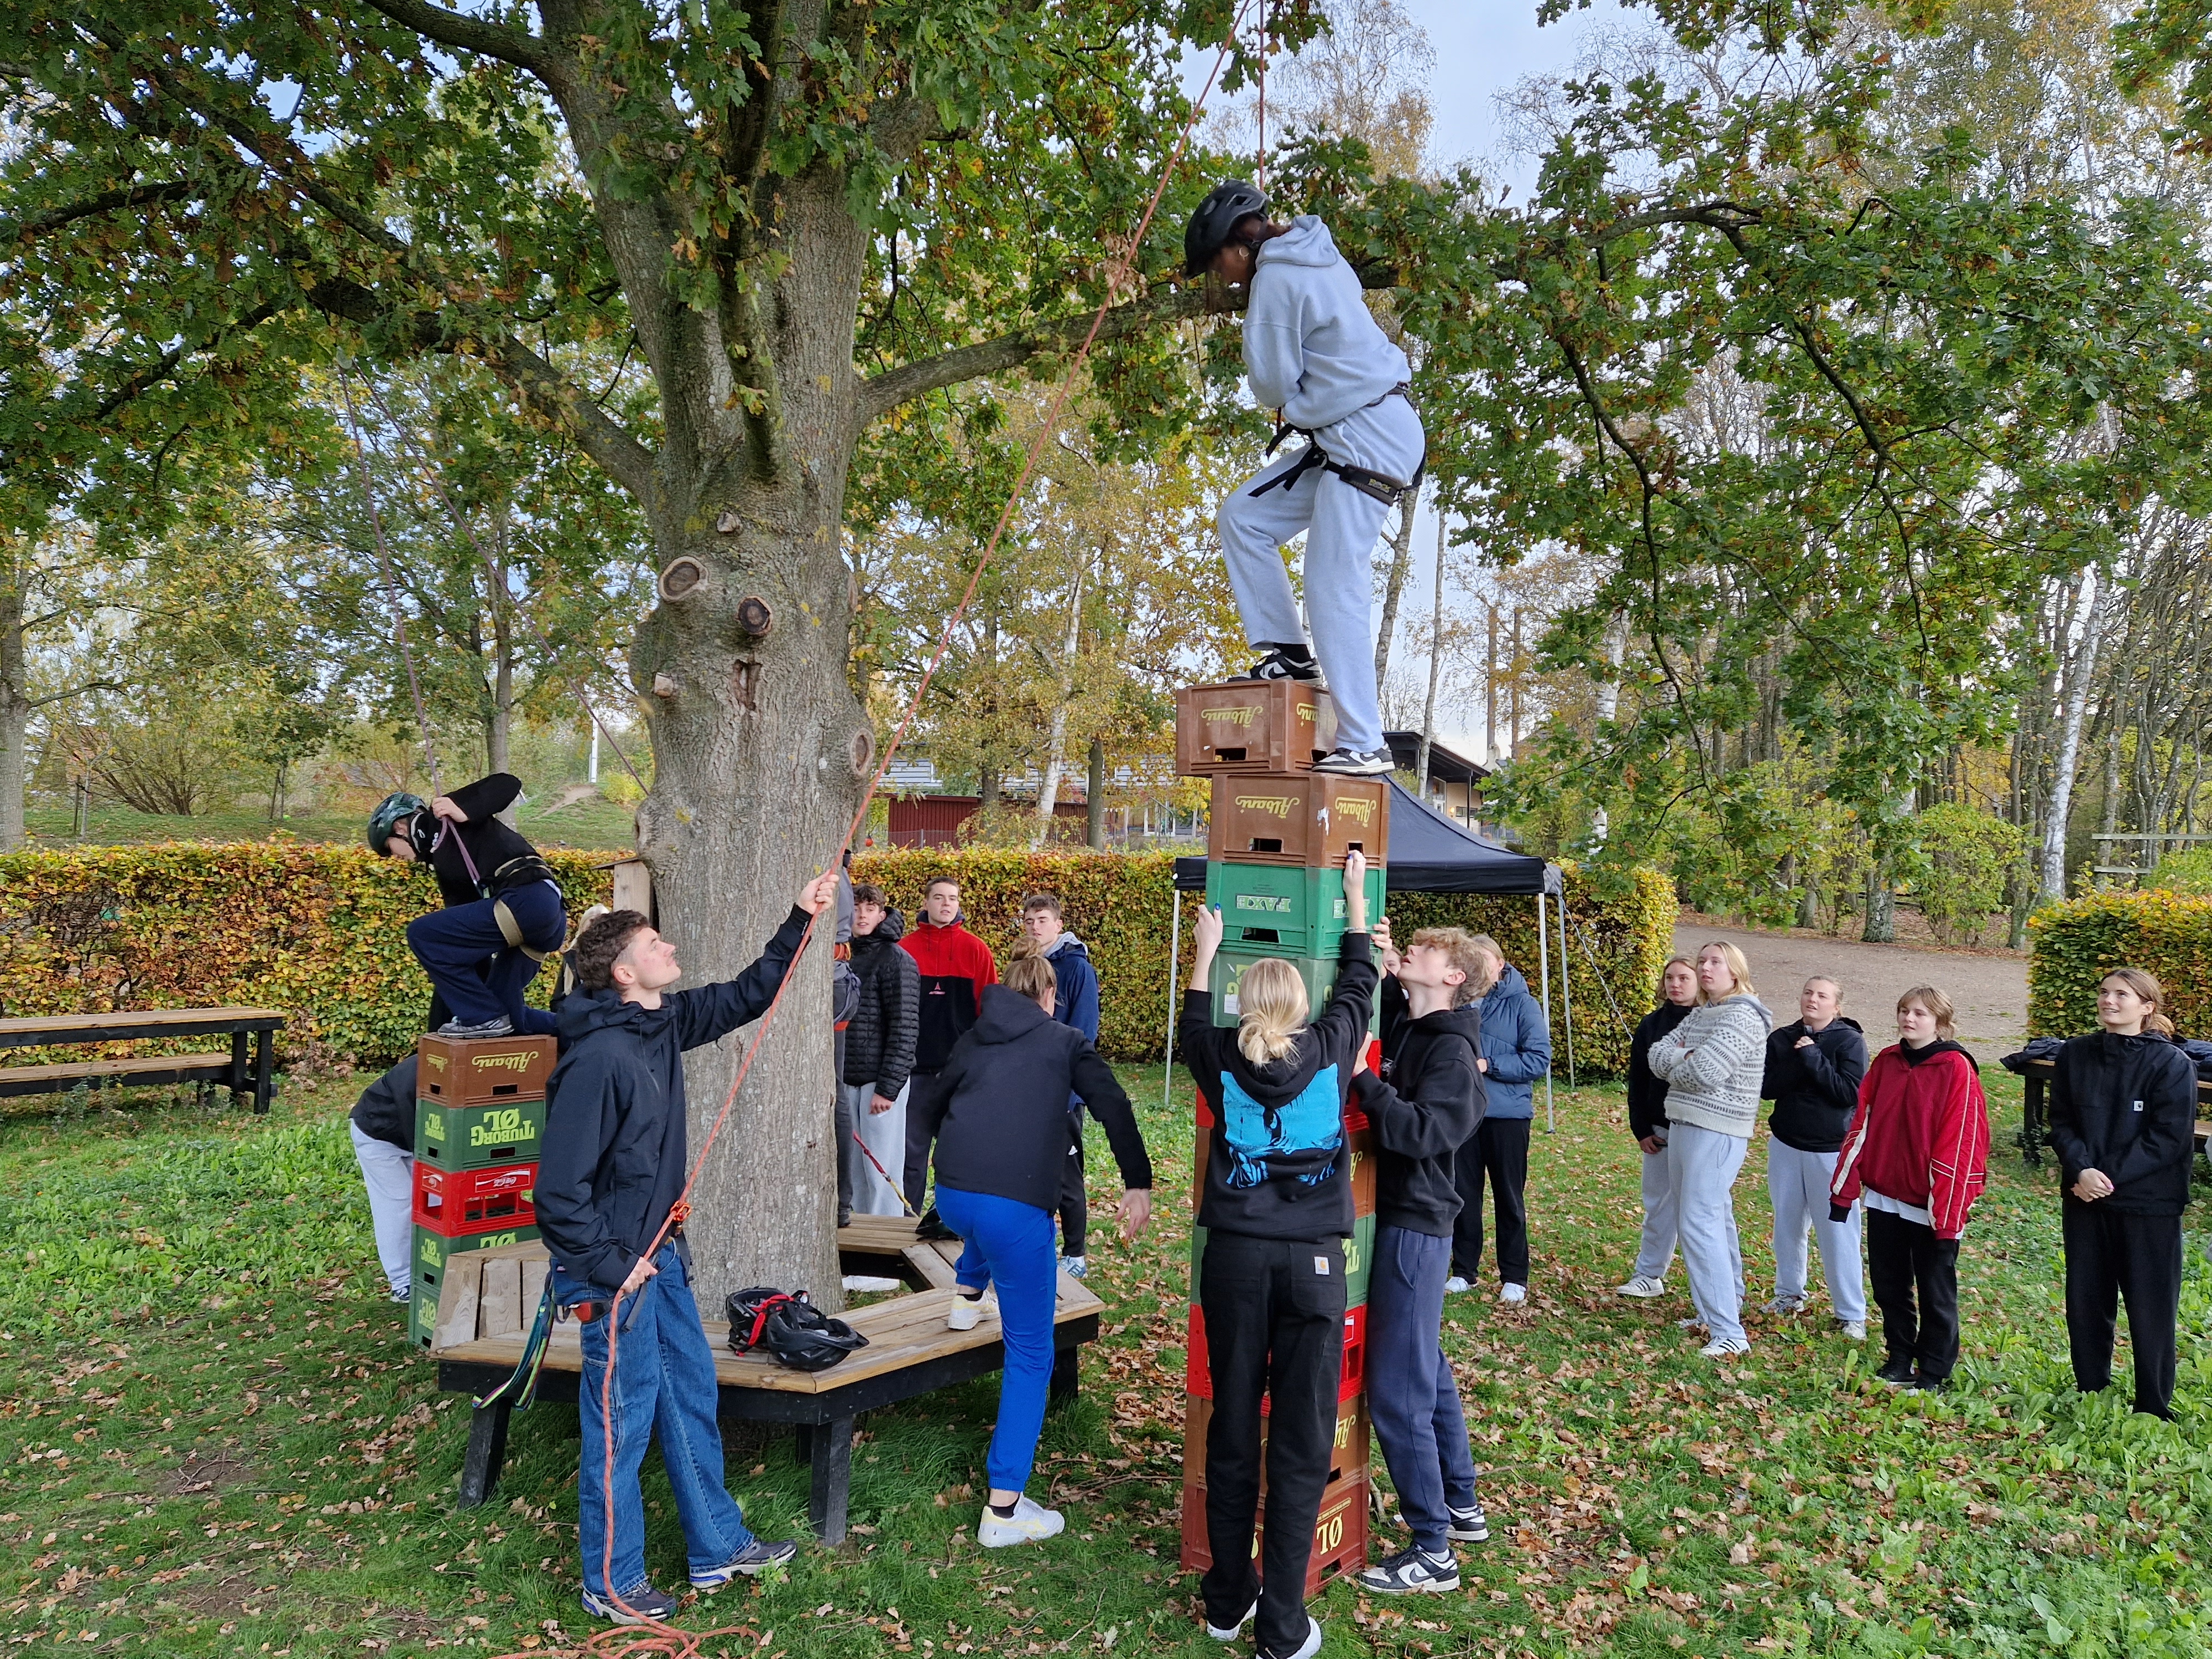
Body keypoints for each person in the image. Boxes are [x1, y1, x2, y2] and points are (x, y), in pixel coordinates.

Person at [534, 872, 838, 1625]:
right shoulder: (598, 1060)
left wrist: (799, 916)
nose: (668, 948)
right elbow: (558, 1194)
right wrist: (613, 1266)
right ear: (622, 973)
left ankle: (717, 1548)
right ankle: (611, 1583)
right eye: (653, 943)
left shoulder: (660, 1022)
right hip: (615, 1278)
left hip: (663, 1258)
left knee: (690, 1400)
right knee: (622, 1427)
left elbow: (748, 994)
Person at [1182, 852, 1376, 1659]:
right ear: (1302, 1005)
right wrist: (1355, 901)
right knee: (1300, 1443)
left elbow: (1194, 1021)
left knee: (1233, 1423)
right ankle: (1282, 1625)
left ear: (1244, 1005)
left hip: (1234, 1259)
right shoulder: (1330, 1045)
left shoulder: (1219, 1055)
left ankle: (1227, 1598)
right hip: (1313, 1266)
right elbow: (1360, 982)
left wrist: (1206, 948)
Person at [1185, 179, 1425, 778]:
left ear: (1236, 247)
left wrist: (1291, 394)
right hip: (1360, 428)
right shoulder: (1316, 250)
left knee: (1333, 580)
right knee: (1245, 517)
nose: (1223, 279)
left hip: (1366, 434)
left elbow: (1271, 384)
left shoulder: (1275, 278)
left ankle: (1364, 743)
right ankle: (1290, 655)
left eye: (1217, 265)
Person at [931, 954, 1154, 1546]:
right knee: (1031, 1354)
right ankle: (1003, 1511)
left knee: (983, 1221)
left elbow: (932, 1101)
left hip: (952, 1197)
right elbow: (1112, 1105)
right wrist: (1138, 1182)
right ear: (1051, 995)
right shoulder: (1066, 1041)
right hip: (1010, 1211)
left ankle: (966, 1295)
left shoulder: (975, 1036)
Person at [1350, 917, 1489, 1595]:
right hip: (1401, 1219)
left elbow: (1424, 1133)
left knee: (1398, 1391)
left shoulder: (1453, 1053)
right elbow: (1385, 1012)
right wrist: (1375, 962)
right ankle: (1460, 1504)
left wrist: (1363, 1081)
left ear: (1454, 976)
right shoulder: (1416, 1026)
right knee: (1424, 1368)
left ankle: (1433, 1550)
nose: (1413, 949)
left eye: (1426, 950)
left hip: (1415, 1226)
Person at [2046, 968, 2195, 1417]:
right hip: (2084, 1199)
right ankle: (2091, 1389)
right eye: (2104, 992)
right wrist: (2080, 1169)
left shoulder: (2171, 1064)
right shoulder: (2075, 1054)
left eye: (2121, 994)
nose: (2108, 1001)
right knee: (2087, 1301)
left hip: (2149, 1207)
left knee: (2151, 1307)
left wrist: (2103, 1176)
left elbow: (2168, 1138)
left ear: (2147, 1007)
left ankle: (2153, 1406)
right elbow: (2061, 1121)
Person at [1829, 985, 1990, 1392]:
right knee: (1889, 1285)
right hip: (1886, 1197)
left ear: (1940, 1022)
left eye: (1920, 1013)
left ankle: (1933, 1371)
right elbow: (1861, 1125)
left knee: (1936, 1290)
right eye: (1904, 1011)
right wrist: (1844, 1189)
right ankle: (1900, 1358)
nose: (1909, 1019)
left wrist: (1948, 1209)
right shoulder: (1887, 1062)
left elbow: (1962, 1141)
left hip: (1932, 1202)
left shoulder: (1956, 1068)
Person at [1645, 943, 1773, 1359]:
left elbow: (1708, 1071)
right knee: (1708, 1219)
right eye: (1702, 961)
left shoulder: (1743, 1015)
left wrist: (1683, 1061)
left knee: (1699, 1223)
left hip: (1717, 1129)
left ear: (1735, 970)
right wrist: (1687, 1055)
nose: (1706, 968)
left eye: (1716, 962)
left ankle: (1729, 1332)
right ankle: (1717, 1310)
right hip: (1683, 1122)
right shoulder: (1702, 1014)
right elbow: (1655, 1055)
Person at [368, 773, 566, 1040]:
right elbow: (463, 937)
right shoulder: (443, 861)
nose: (396, 857)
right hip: (548, 918)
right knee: (507, 1014)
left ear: (399, 829)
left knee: (421, 934)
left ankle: (483, 1017)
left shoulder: (444, 818)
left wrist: (463, 808)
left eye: (390, 849)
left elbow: (508, 783)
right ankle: (589, 1030)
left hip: (527, 901)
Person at [1761, 977, 1870, 1339]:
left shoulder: (1849, 1041)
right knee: (1788, 1224)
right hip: (1787, 1145)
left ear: (1836, 1007)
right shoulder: (1782, 1038)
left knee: (1838, 1231)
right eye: (1808, 992)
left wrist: (1813, 1057)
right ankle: (1788, 1294)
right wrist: (1798, 1057)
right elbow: (1767, 1088)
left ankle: (1851, 1312)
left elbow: (1848, 1093)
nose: (1813, 999)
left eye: (1822, 996)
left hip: (1830, 1151)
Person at [1446, 935, 1550, 1304]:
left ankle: (1515, 1275)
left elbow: (1538, 1059)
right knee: (1463, 1194)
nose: (1477, 965)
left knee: (1509, 1196)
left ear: (1500, 965)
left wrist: (1489, 1065)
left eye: (1484, 959)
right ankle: (1464, 1270)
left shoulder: (1523, 1004)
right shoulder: (1455, 1001)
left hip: (1508, 1116)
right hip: (1465, 1112)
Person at [900, 875, 998, 1225]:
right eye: (939, 898)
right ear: (926, 903)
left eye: (953, 898)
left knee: (956, 1155)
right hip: (914, 1071)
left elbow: (990, 1012)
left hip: (960, 1074)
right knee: (911, 1155)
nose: (946, 904)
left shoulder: (976, 950)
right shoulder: (905, 949)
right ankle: (907, 1222)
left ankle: (952, 1222)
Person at [1019, 891, 1103, 1276]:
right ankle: (1035, 1244)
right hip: (1026, 1089)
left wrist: (1066, 1088)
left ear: (1058, 924)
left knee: (1066, 1174)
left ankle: (1075, 1254)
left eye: (1042, 920)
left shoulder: (1077, 968)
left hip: (1063, 1091)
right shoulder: (1024, 966)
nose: (1035, 927)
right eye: (1029, 921)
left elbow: (1083, 1032)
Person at [1616, 957, 1697, 1300]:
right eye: (1670, 978)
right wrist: (1641, 1128)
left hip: (1698, 1128)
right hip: (1660, 1128)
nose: (1675, 984)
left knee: (1700, 1209)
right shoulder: (1652, 1024)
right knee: (1658, 1204)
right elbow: (1638, 1078)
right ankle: (1649, 1274)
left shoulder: (1712, 1023)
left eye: (1684, 978)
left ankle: (1713, 1286)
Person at [843, 884, 918, 1218]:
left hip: (880, 1084)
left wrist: (888, 1089)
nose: (862, 915)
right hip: (848, 1080)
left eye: (870, 909)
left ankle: (884, 1241)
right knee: (855, 1170)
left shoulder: (897, 960)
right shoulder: (844, 957)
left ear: (882, 915)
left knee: (882, 1170)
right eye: (857, 908)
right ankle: (862, 1240)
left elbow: (905, 1027)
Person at [348, 1055, 421, 1303]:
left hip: (405, 1137)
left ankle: (427, 1270)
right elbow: (411, 1118)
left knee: (431, 1202)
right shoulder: (416, 1072)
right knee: (397, 1205)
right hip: (376, 1136)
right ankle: (402, 1283)